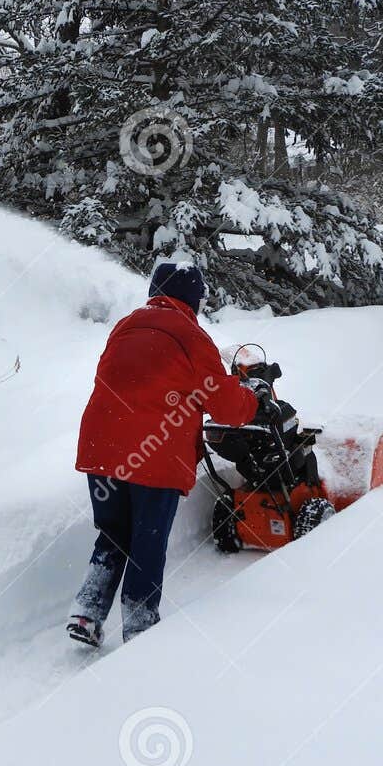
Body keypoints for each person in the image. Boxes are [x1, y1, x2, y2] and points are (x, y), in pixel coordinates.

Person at [67, 262, 268, 646]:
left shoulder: (125, 325)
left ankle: (87, 612)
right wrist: (253, 400)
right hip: (154, 457)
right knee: (147, 540)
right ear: (193, 299)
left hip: (101, 449)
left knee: (113, 532)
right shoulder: (192, 337)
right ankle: (141, 629)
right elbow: (225, 405)